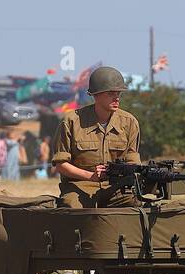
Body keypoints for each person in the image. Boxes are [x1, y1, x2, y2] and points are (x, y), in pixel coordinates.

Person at [51, 66, 142, 208]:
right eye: (111, 93)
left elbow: (133, 161)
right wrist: (90, 176)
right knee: (71, 207)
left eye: (118, 93)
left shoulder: (129, 122)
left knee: (137, 206)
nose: (116, 97)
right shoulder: (72, 121)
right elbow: (60, 164)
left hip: (117, 189)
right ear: (96, 95)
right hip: (80, 186)